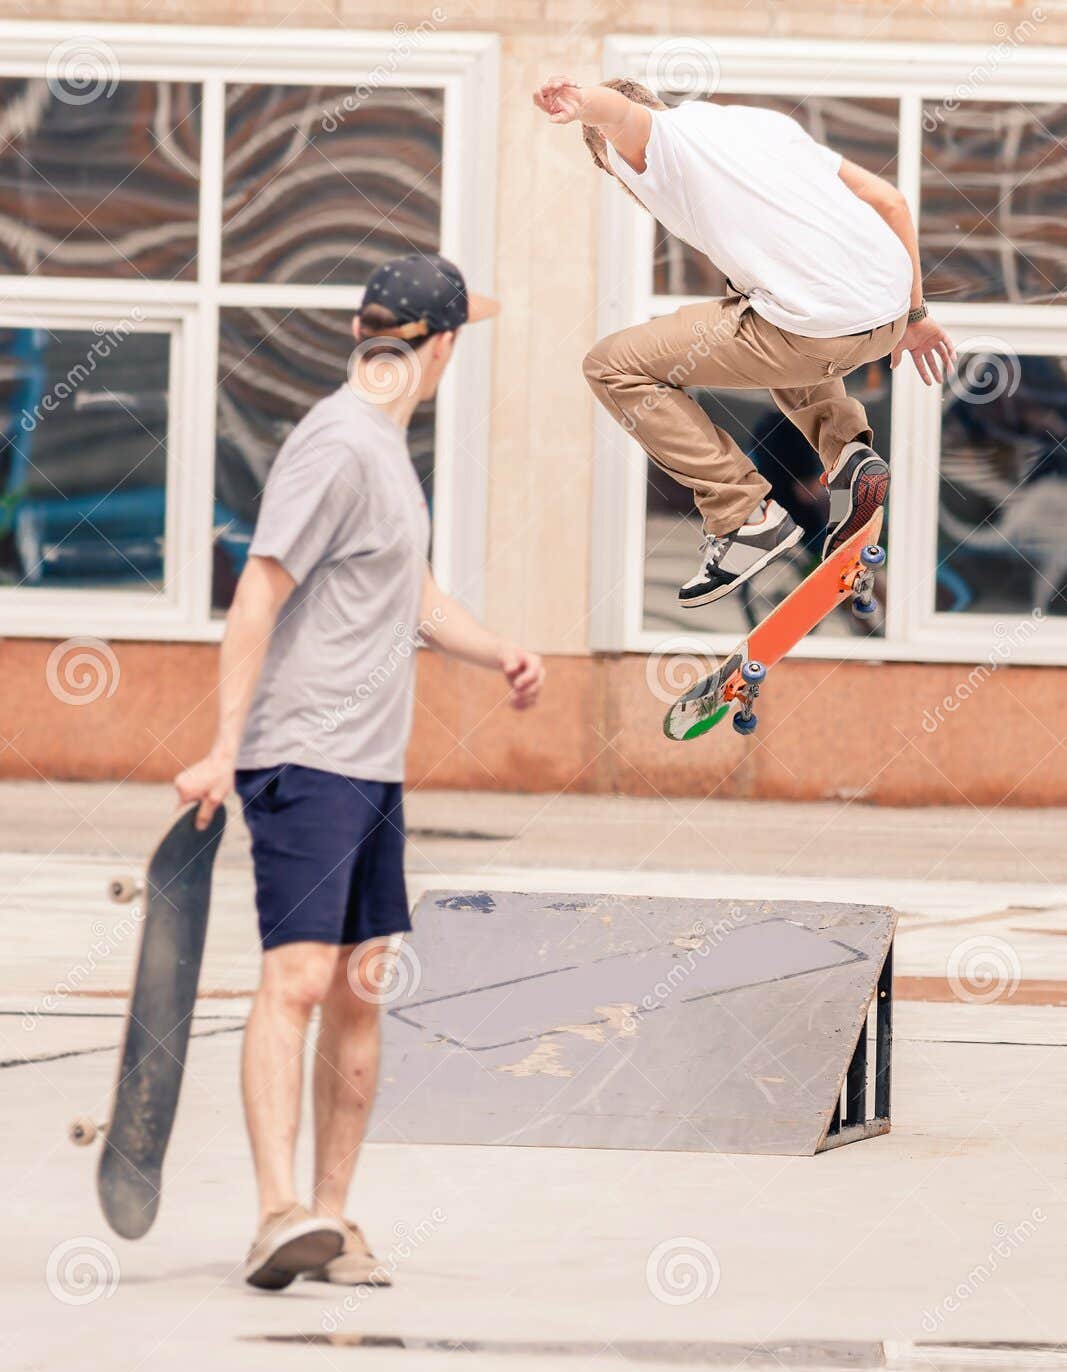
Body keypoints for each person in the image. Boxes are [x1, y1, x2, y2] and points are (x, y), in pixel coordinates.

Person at [176, 253, 545, 1292]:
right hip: (303, 751)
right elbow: (257, 589)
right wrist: (222, 745)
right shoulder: (337, 444)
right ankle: (274, 1213)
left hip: (369, 762)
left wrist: (498, 650)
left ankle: (330, 1223)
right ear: (438, 346)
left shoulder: (383, 449)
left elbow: (416, 598)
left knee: (359, 987)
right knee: (296, 978)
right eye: (458, 340)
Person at [533, 77, 955, 606]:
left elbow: (621, 115)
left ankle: (744, 516)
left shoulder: (655, 142)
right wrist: (915, 314)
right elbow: (890, 201)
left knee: (611, 365)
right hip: (888, 314)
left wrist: (582, 105)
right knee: (767, 320)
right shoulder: (758, 125)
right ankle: (847, 455)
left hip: (812, 328)